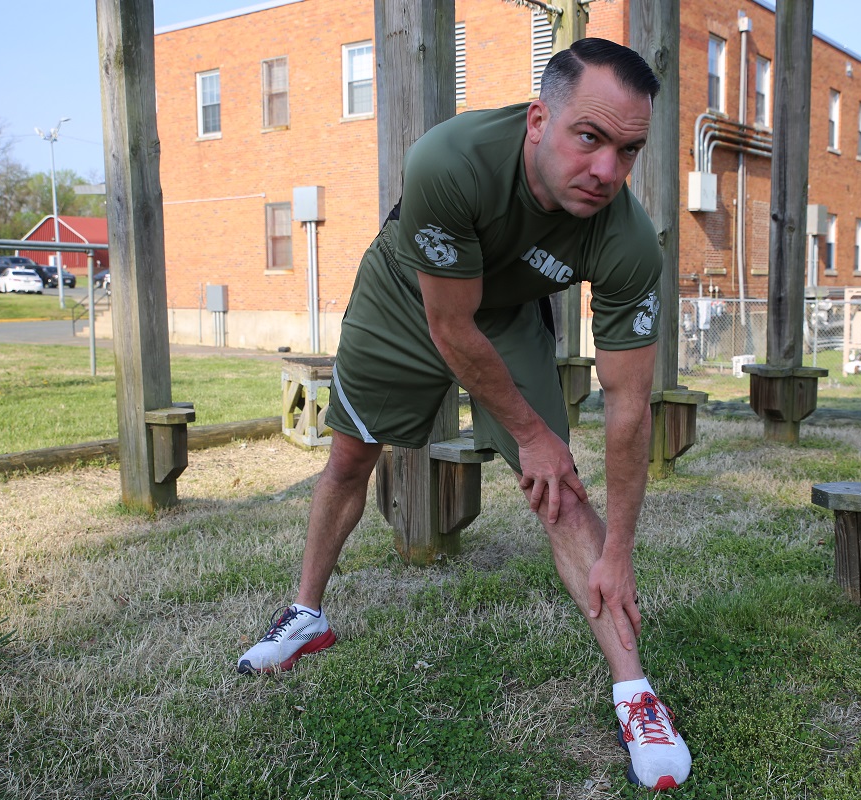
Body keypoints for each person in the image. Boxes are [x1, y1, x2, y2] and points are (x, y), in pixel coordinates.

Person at [238, 37, 691, 791]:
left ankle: (634, 692)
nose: (608, 171)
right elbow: (450, 327)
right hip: (405, 295)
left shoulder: (629, 241)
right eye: (590, 137)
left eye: (629, 150)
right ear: (540, 119)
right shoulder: (448, 161)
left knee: (563, 496)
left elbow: (629, 402)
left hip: (508, 312)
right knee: (352, 457)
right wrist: (532, 433)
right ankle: (305, 615)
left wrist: (621, 548)